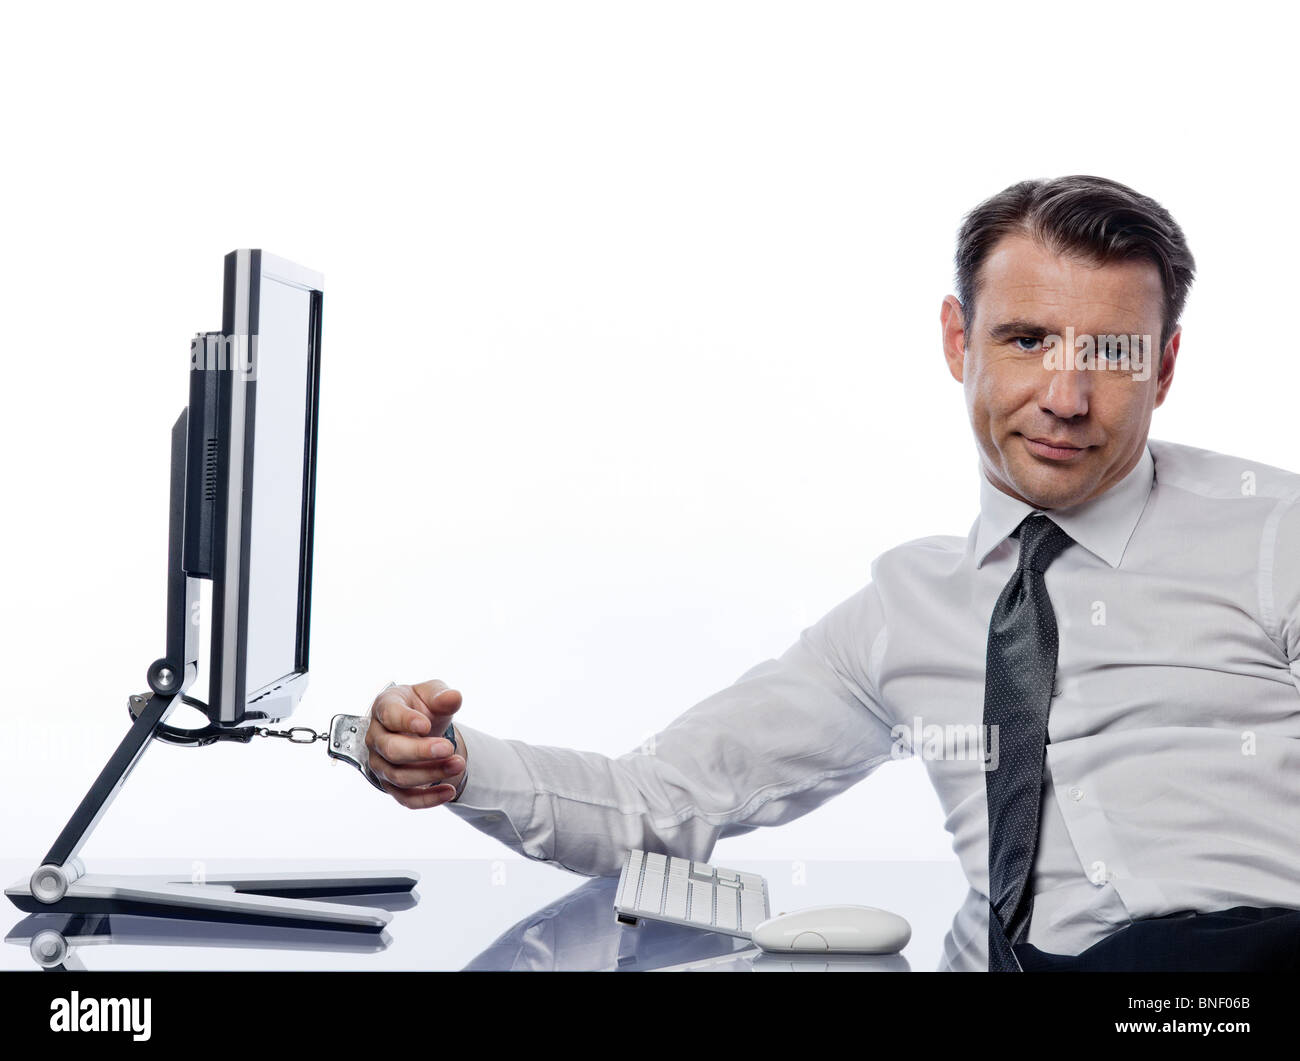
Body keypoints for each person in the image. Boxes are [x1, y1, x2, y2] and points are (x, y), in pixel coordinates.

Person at [361, 175, 1300, 971]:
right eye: (1025, 341)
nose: (1065, 397)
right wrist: (455, 764)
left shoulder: (1273, 533)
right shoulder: (907, 609)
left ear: (1165, 366)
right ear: (956, 342)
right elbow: (665, 799)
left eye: (1110, 353)